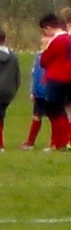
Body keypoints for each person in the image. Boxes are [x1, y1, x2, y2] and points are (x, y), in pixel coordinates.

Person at [38, 12, 71, 150]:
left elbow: (44, 61)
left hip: (56, 78)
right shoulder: (69, 39)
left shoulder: (56, 41)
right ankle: (65, 141)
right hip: (68, 77)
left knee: (54, 110)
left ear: (49, 27)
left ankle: (60, 142)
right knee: (64, 109)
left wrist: (45, 48)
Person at [20, 50, 49, 150]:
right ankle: (30, 142)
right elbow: (34, 74)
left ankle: (56, 142)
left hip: (51, 89)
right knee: (37, 115)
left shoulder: (56, 54)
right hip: (39, 91)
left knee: (55, 117)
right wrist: (32, 90)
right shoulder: (39, 55)